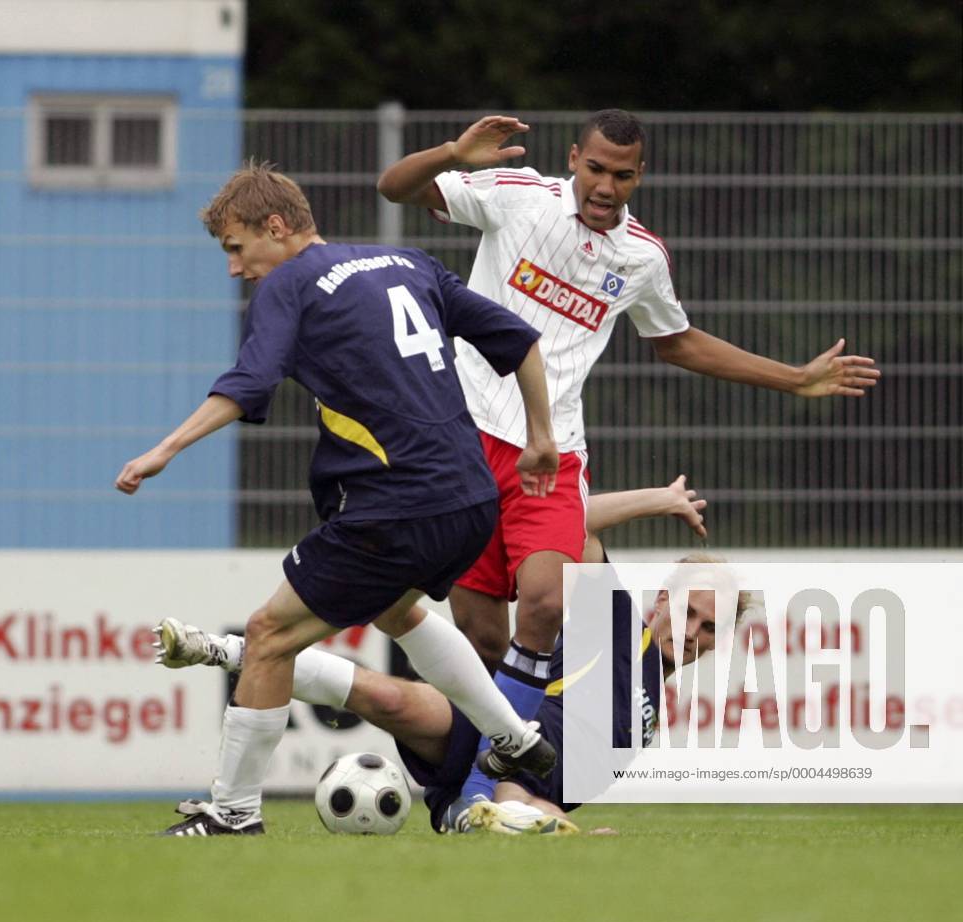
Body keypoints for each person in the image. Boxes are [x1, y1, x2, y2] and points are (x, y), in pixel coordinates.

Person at [376, 109, 880, 805]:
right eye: (595, 169)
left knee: (548, 602)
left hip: (552, 454)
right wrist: (452, 152)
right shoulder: (517, 194)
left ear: (640, 175)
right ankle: (463, 786)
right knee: (482, 636)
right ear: (574, 158)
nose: (605, 186)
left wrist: (794, 377)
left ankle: (474, 796)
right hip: (465, 439)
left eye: (622, 175)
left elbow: (677, 340)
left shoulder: (641, 257)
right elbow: (395, 187)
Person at [114, 161, 563, 836]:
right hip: (470, 497)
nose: (236, 269)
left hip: (395, 506)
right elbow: (521, 340)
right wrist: (540, 437)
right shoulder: (406, 261)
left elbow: (247, 386)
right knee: (395, 607)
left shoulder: (290, 284)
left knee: (268, 635)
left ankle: (233, 813)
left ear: (276, 226)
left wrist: (164, 450)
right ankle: (516, 736)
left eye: (237, 249)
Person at [154, 479, 718, 836]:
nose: (693, 632)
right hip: (486, 731)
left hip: (519, 784)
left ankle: (481, 817)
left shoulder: (651, 713)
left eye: (709, 628)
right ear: (663, 598)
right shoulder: (620, 624)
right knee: (386, 693)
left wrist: (563, 824)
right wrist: (660, 501)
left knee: (525, 823)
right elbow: (574, 522)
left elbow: (567, 778)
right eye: (690, 612)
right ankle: (226, 651)